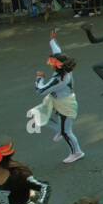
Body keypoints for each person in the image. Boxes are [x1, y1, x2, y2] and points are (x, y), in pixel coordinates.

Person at [29, 30, 84, 163]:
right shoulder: (63, 69)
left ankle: (77, 152)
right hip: (57, 101)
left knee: (67, 132)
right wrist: (52, 40)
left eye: (52, 62)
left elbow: (40, 90)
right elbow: (57, 52)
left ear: (56, 66)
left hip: (65, 105)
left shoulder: (59, 79)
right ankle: (60, 130)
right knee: (39, 114)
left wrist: (39, 78)